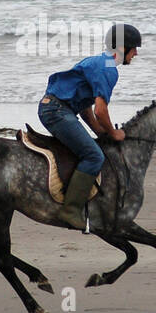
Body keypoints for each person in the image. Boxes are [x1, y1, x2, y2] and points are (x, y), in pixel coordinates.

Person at [38, 23, 142, 231]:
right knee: (94, 156)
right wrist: (113, 133)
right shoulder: (109, 69)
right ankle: (71, 210)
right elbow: (100, 111)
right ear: (123, 48)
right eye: (134, 48)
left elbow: (85, 107)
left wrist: (99, 132)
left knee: (91, 148)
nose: (136, 53)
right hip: (58, 111)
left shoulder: (99, 62)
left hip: (58, 108)